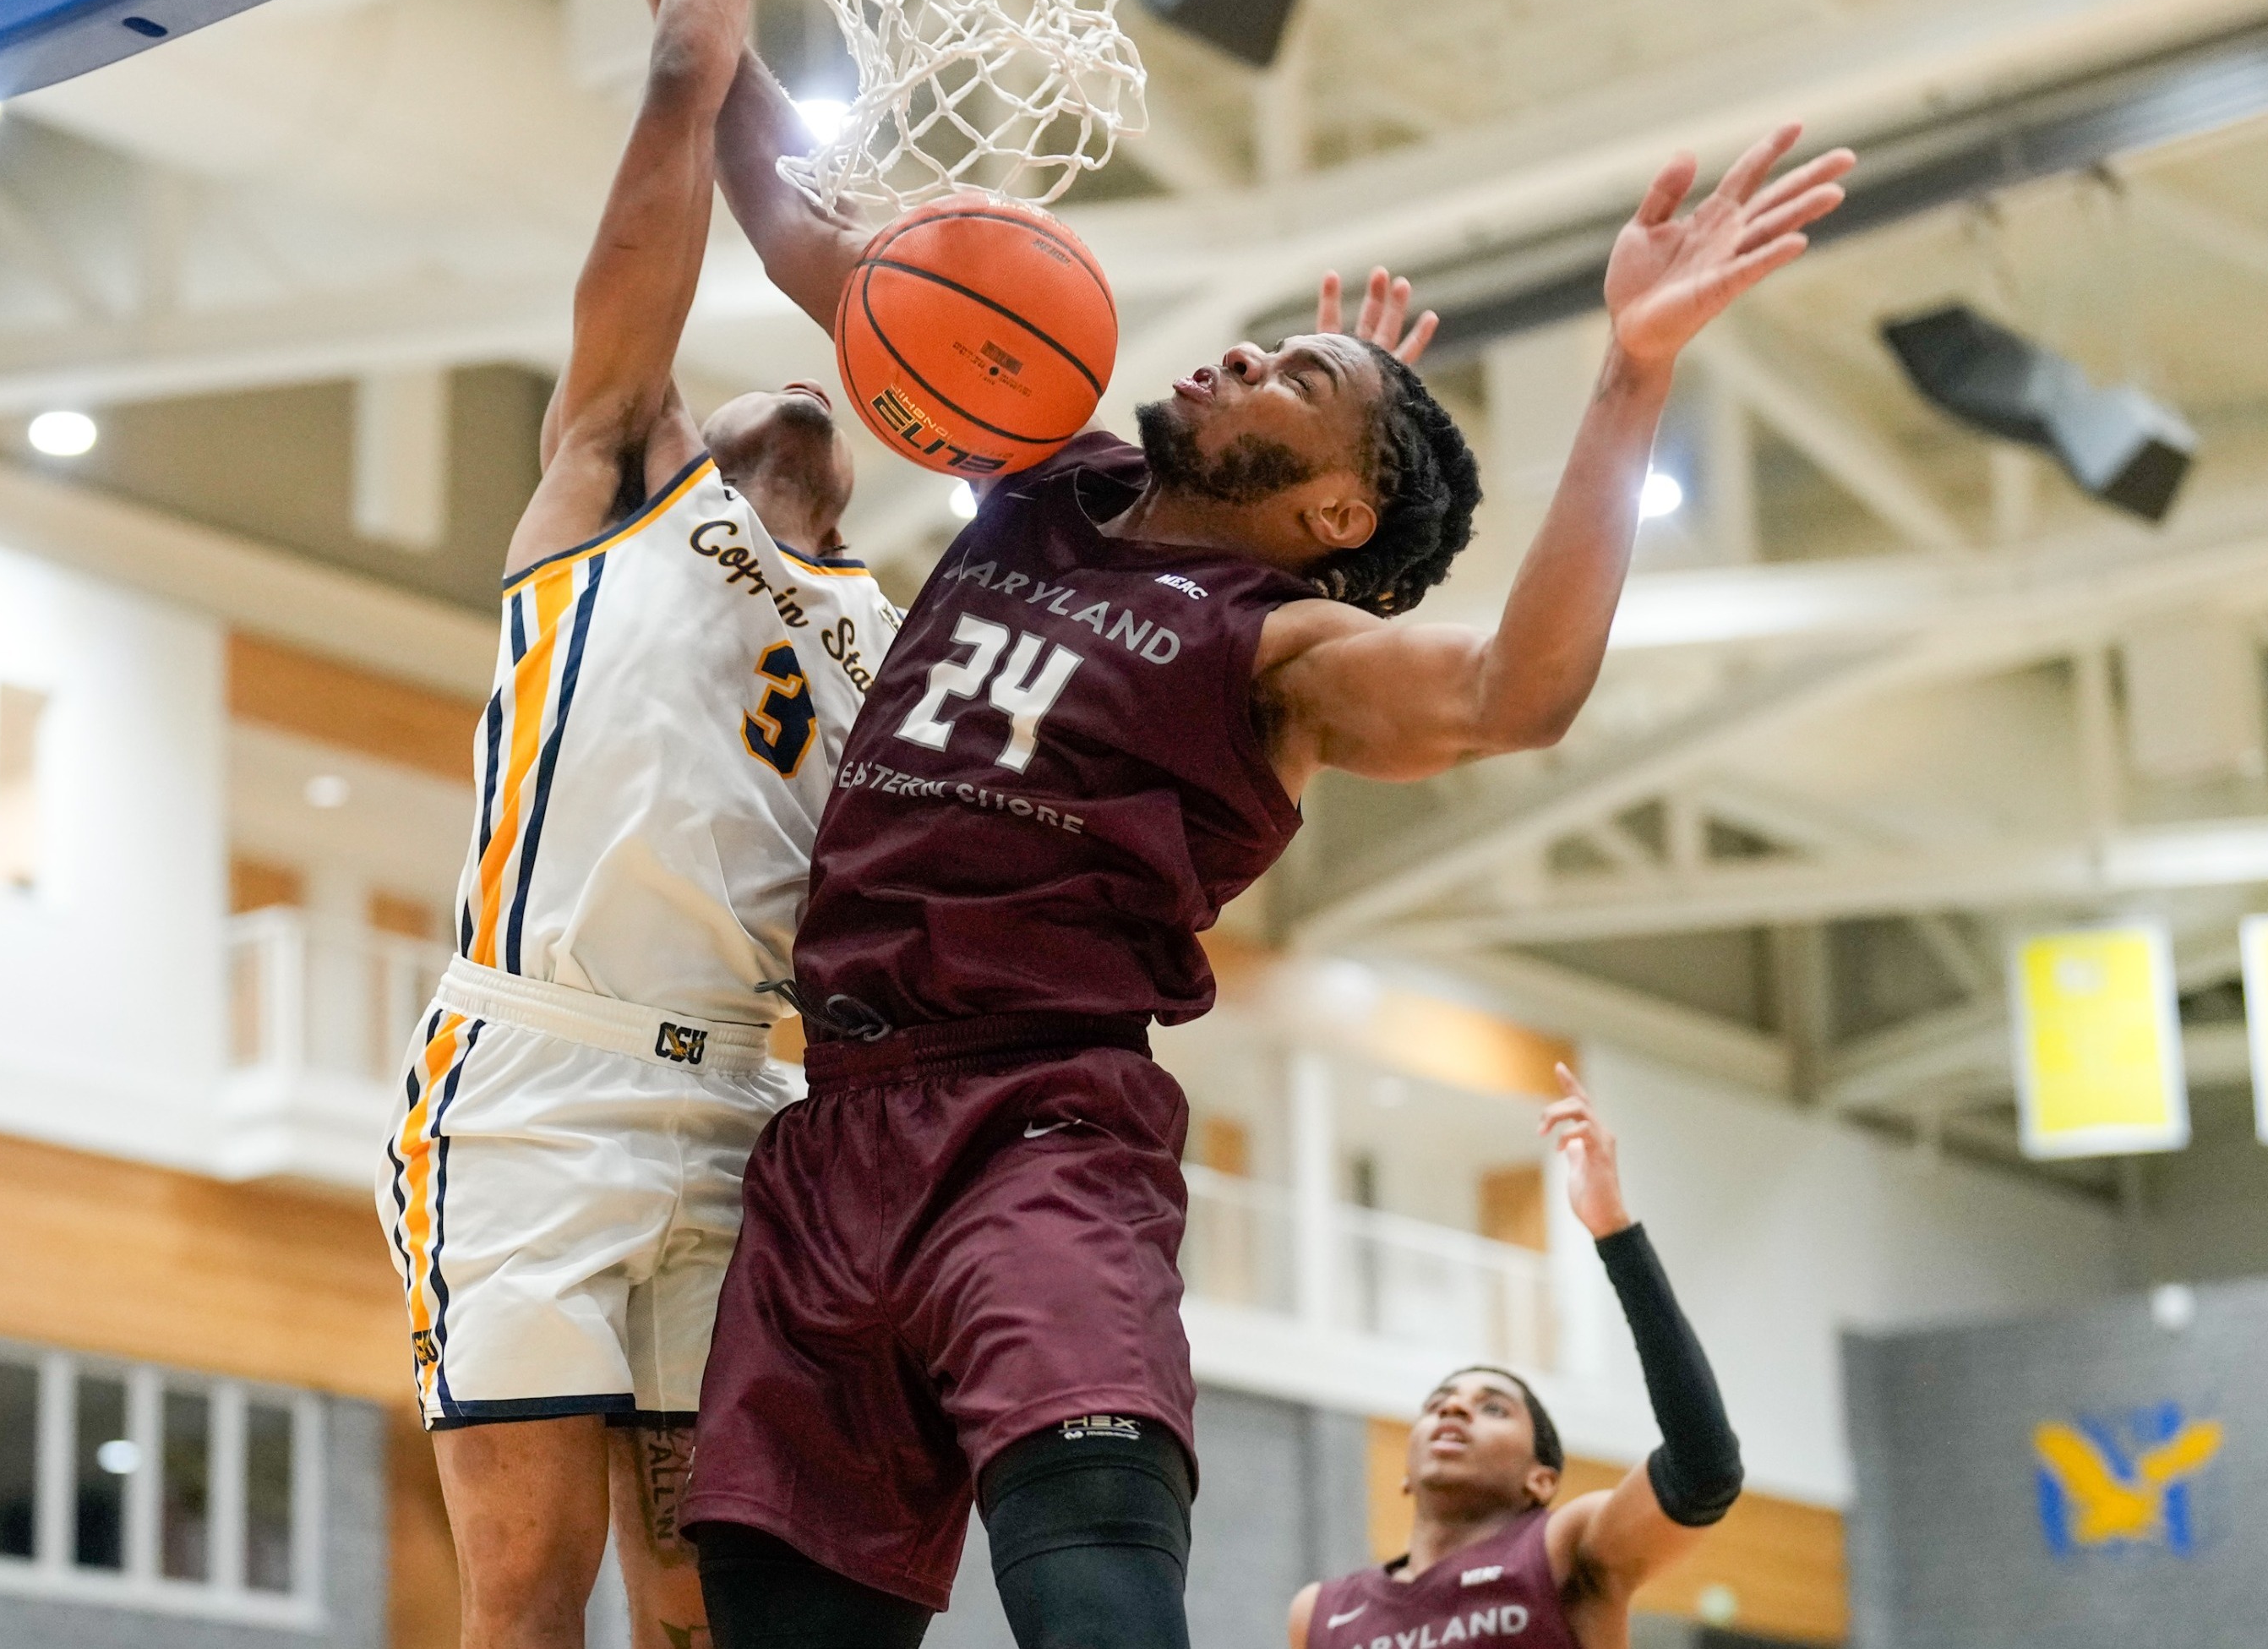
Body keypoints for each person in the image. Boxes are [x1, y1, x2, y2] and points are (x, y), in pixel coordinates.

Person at [678, 126, 1854, 1649]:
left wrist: (1628, 372)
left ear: (1333, 522)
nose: (1240, 357)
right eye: (1272, 352)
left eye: (1296, 382)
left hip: (1037, 1134)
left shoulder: (1280, 652)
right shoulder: (1045, 473)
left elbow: (1516, 692)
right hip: (832, 1131)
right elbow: (812, 244)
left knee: (1095, 1608)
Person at [374, 0, 897, 1649]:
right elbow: (680, 97)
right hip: (534, 1078)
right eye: (747, 368)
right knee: (531, 1598)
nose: (792, 373)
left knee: (698, 1618)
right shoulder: (612, 480)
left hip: (736, 1111)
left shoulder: (888, 647)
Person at [1290, 1067, 1742, 1649]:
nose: (1454, 1411)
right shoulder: (1321, 1613)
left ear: (1540, 1479)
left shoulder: (1566, 1550)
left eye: (1494, 1408)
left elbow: (1705, 1469)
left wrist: (1614, 1232)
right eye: (1439, 1404)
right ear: (1405, 1473)